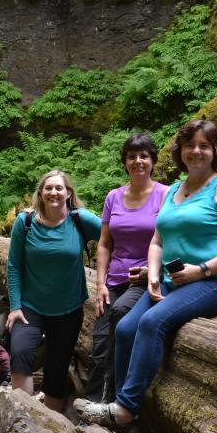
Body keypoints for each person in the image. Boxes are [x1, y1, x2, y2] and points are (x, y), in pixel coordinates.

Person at [76, 120, 217, 428]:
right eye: (189, 146)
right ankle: (116, 407)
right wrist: (154, 274)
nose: (196, 151)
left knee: (151, 322)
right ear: (180, 152)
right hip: (174, 281)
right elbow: (158, 241)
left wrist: (202, 269)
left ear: (215, 151)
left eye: (204, 146)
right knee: (125, 329)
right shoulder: (175, 190)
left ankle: (124, 410)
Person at [6, 170, 101, 412]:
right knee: (20, 353)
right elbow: (14, 265)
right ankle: (21, 416)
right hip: (30, 306)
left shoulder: (80, 220)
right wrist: (15, 306)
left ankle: (51, 426)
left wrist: (109, 278)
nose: (54, 192)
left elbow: (113, 239)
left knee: (56, 371)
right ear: (41, 193)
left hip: (68, 309)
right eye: (48, 188)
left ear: (68, 193)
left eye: (59, 188)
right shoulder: (25, 222)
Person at [83, 134, 169, 403]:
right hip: (115, 279)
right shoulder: (114, 197)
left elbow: (172, 241)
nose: (138, 161)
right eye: (132, 156)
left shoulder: (166, 195)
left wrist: (153, 273)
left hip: (146, 280)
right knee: (100, 342)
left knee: (120, 316)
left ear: (153, 161)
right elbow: (104, 243)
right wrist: (100, 284)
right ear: (125, 162)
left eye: (144, 156)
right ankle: (92, 405)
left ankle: (116, 403)